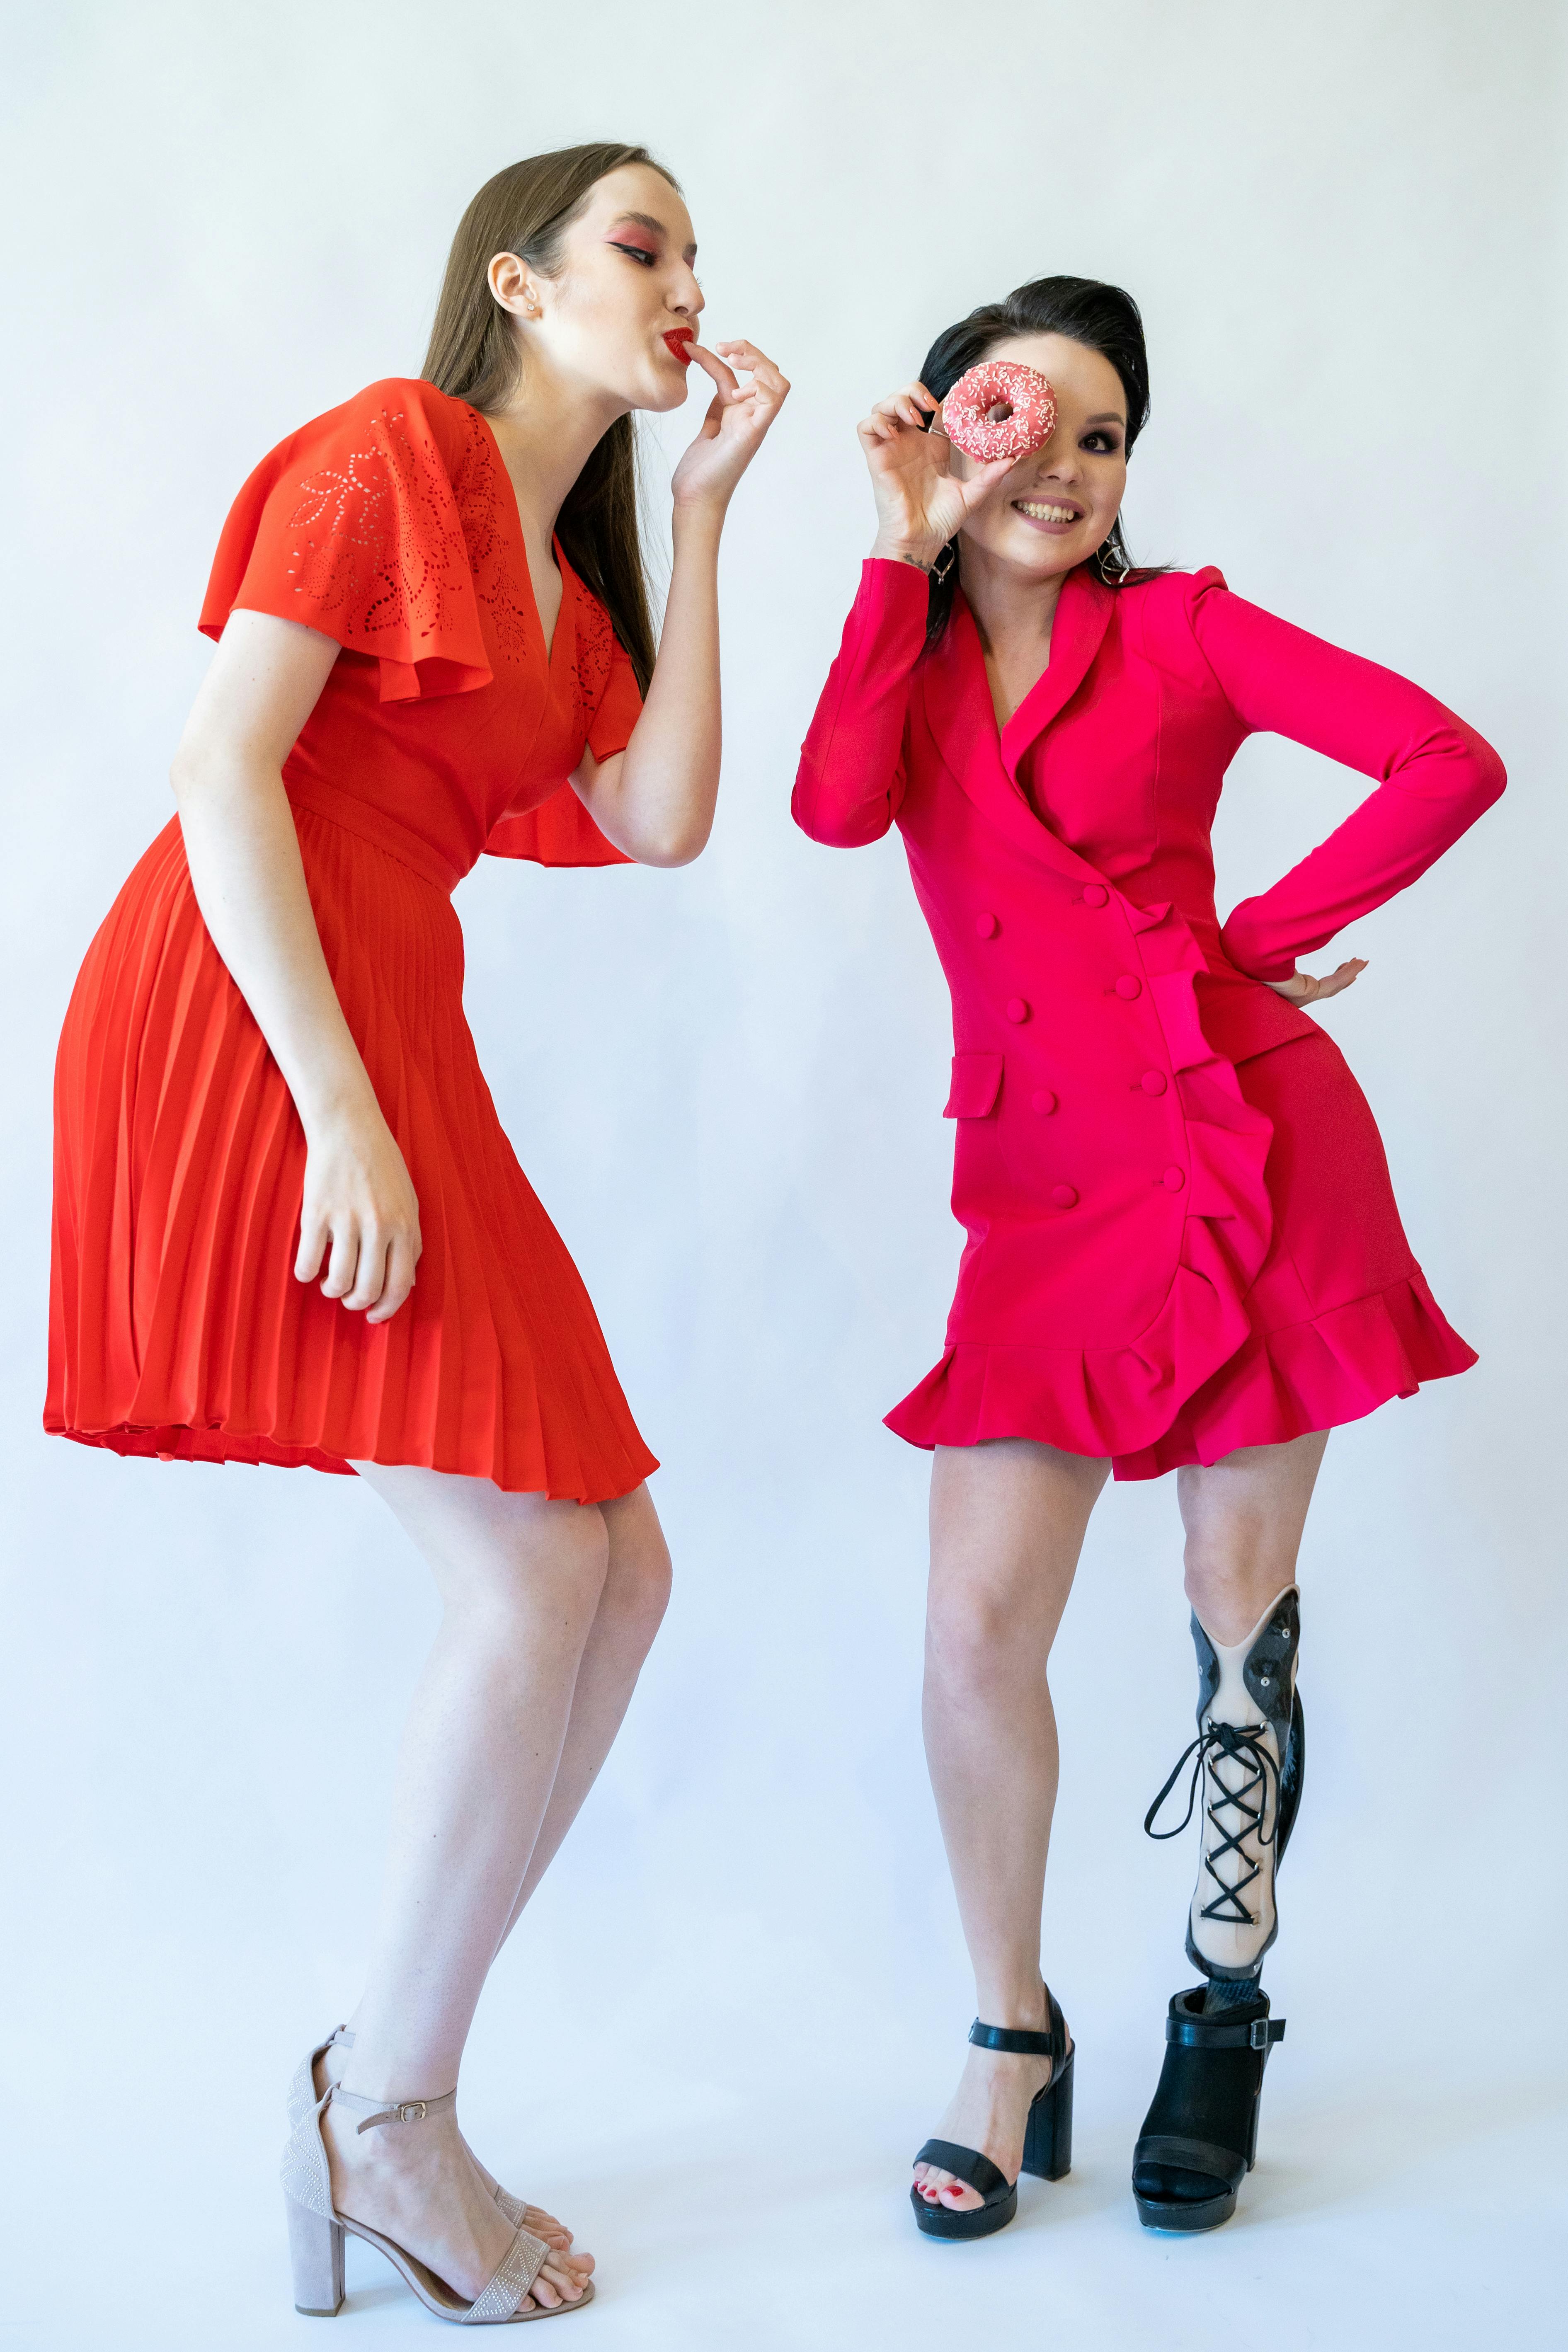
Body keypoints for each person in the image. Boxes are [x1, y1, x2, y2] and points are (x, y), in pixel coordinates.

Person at [47, 142, 787, 2321]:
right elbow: (220, 767)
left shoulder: (565, 579)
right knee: (535, 1564)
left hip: (391, 1031)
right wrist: (333, 1112)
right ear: (515, 277)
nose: (680, 287)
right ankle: (388, 2113)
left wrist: (712, 508)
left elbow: (656, 817)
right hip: (257, 1010)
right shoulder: (390, 450)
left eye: (692, 258)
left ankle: (385, 2096)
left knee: (616, 1566)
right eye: (640, 247)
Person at [792, 275, 1502, 2240]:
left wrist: (1255, 939)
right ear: (951, 425)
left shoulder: (1181, 629)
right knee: (971, 1631)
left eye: (1109, 440)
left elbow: (1447, 758)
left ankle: (1222, 2016)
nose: (1073, 469)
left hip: (1248, 1146)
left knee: (1228, 1610)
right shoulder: (905, 655)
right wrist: (893, 554)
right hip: (1040, 1188)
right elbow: (834, 808)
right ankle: (1009, 2036)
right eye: (1032, 420)